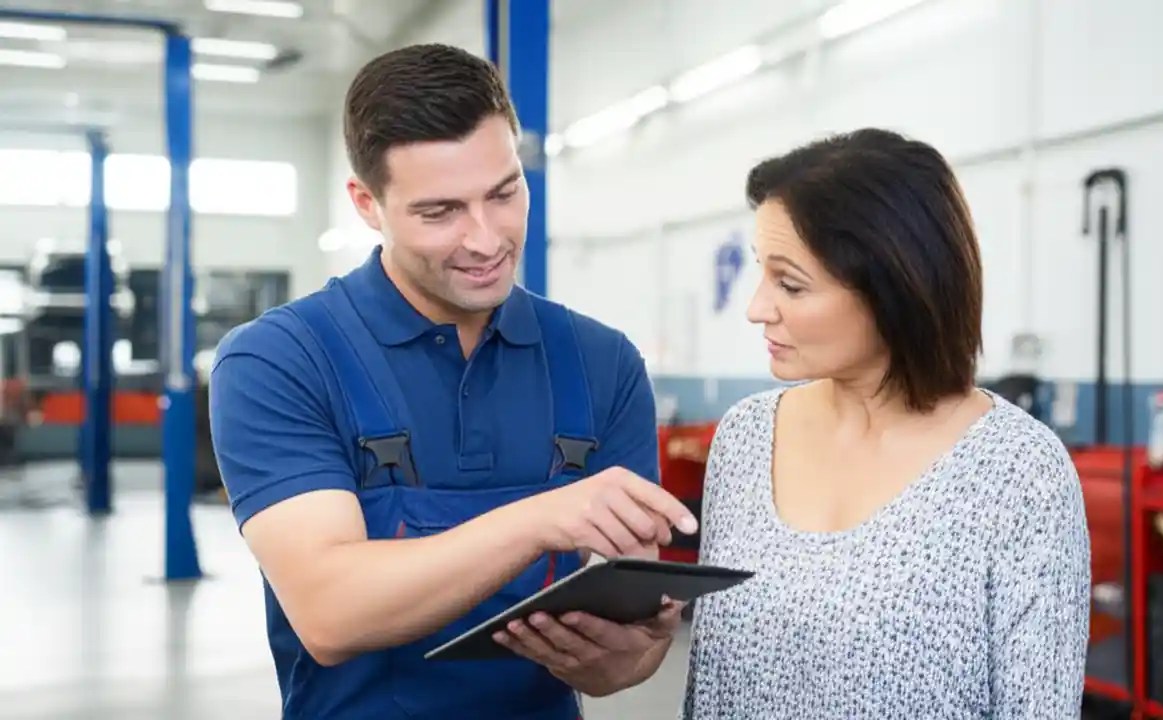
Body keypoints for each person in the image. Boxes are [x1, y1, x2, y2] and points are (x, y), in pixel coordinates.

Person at [209, 43, 697, 720]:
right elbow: (329, 613)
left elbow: (636, 639)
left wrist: (626, 655)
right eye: (439, 213)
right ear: (367, 203)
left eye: (504, 194)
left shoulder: (602, 363)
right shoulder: (280, 361)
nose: (486, 238)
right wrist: (539, 520)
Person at [681, 129, 1091, 718]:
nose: (757, 307)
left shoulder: (1018, 472)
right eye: (762, 274)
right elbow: (708, 686)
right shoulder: (746, 439)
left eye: (790, 284)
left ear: (894, 287)